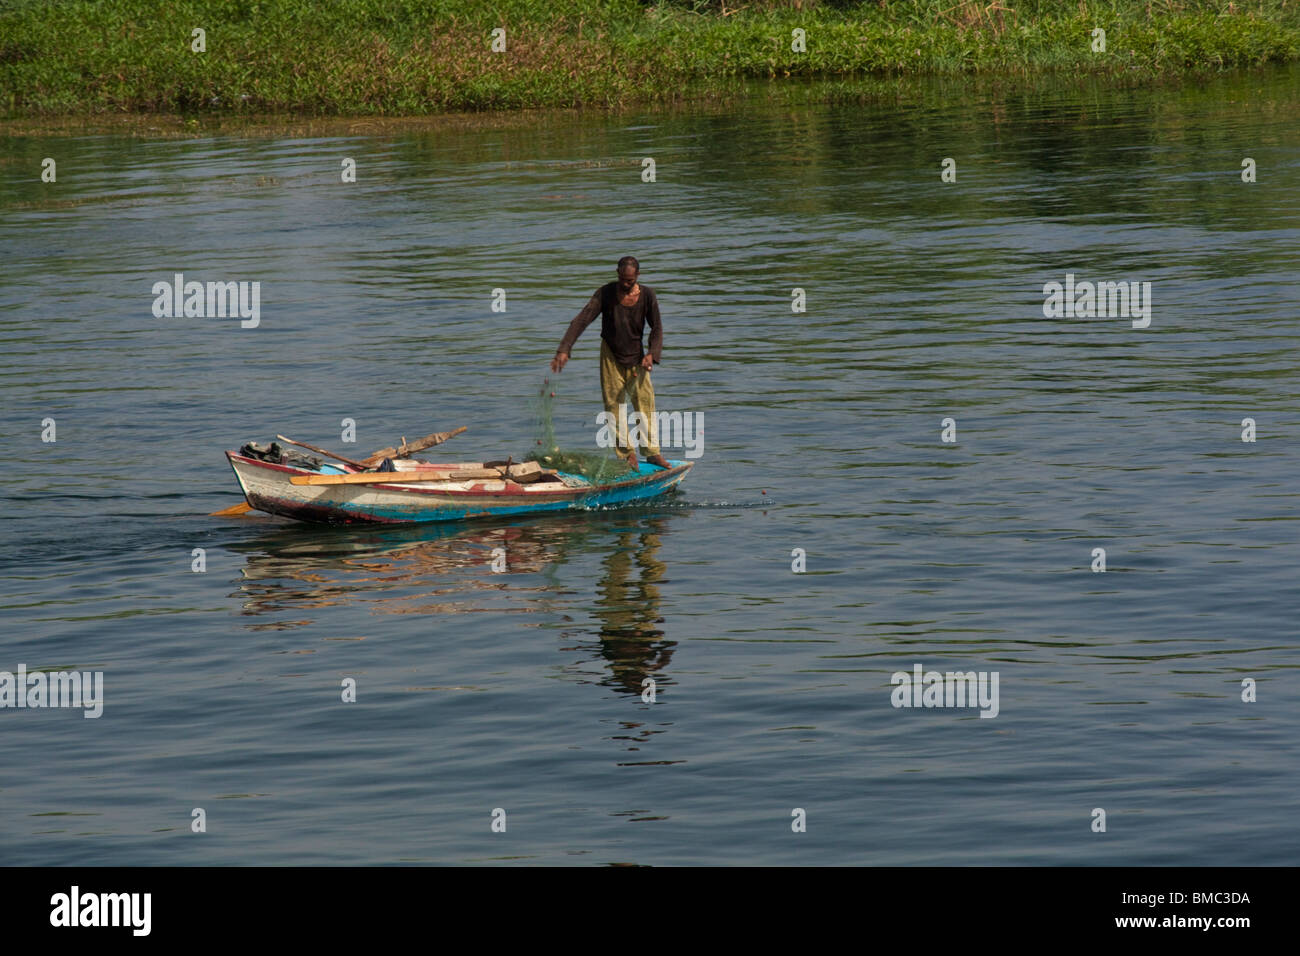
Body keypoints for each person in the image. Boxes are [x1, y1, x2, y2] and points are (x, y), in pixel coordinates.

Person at [551, 256, 671, 470]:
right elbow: (582, 319)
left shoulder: (647, 296)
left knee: (644, 404)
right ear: (617, 274)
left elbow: (657, 328)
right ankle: (626, 454)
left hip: (638, 356)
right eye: (623, 280)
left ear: (638, 277)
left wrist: (652, 354)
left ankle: (652, 453)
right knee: (614, 405)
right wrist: (564, 348)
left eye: (631, 281)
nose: (627, 285)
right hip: (611, 354)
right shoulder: (605, 293)